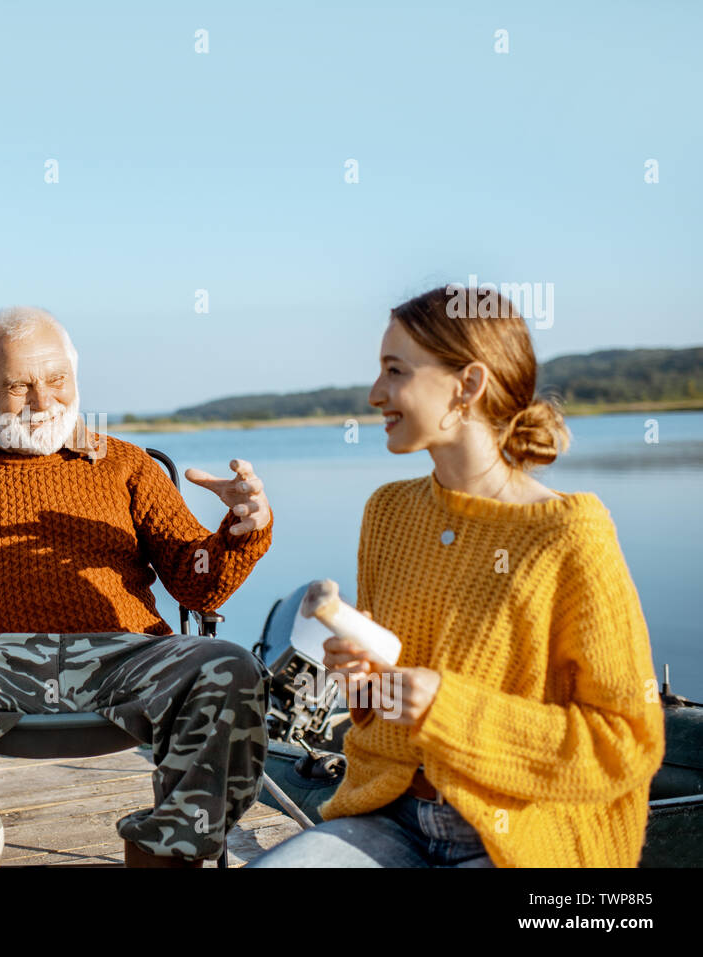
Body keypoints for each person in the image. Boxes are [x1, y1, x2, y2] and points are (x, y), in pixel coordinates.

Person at [248, 285, 665, 868]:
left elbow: (625, 745)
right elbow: (380, 705)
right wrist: (364, 684)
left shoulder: (570, 534)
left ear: (467, 385)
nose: (374, 394)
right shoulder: (389, 513)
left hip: (521, 837)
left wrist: (448, 707)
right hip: (389, 818)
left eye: (395, 371)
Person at [0, 305, 274, 867]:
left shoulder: (128, 465)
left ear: (76, 378)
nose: (43, 402)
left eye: (56, 381)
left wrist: (242, 532)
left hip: (125, 654)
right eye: (18, 386)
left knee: (232, 666)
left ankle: (167, 850)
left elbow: (197, 588)